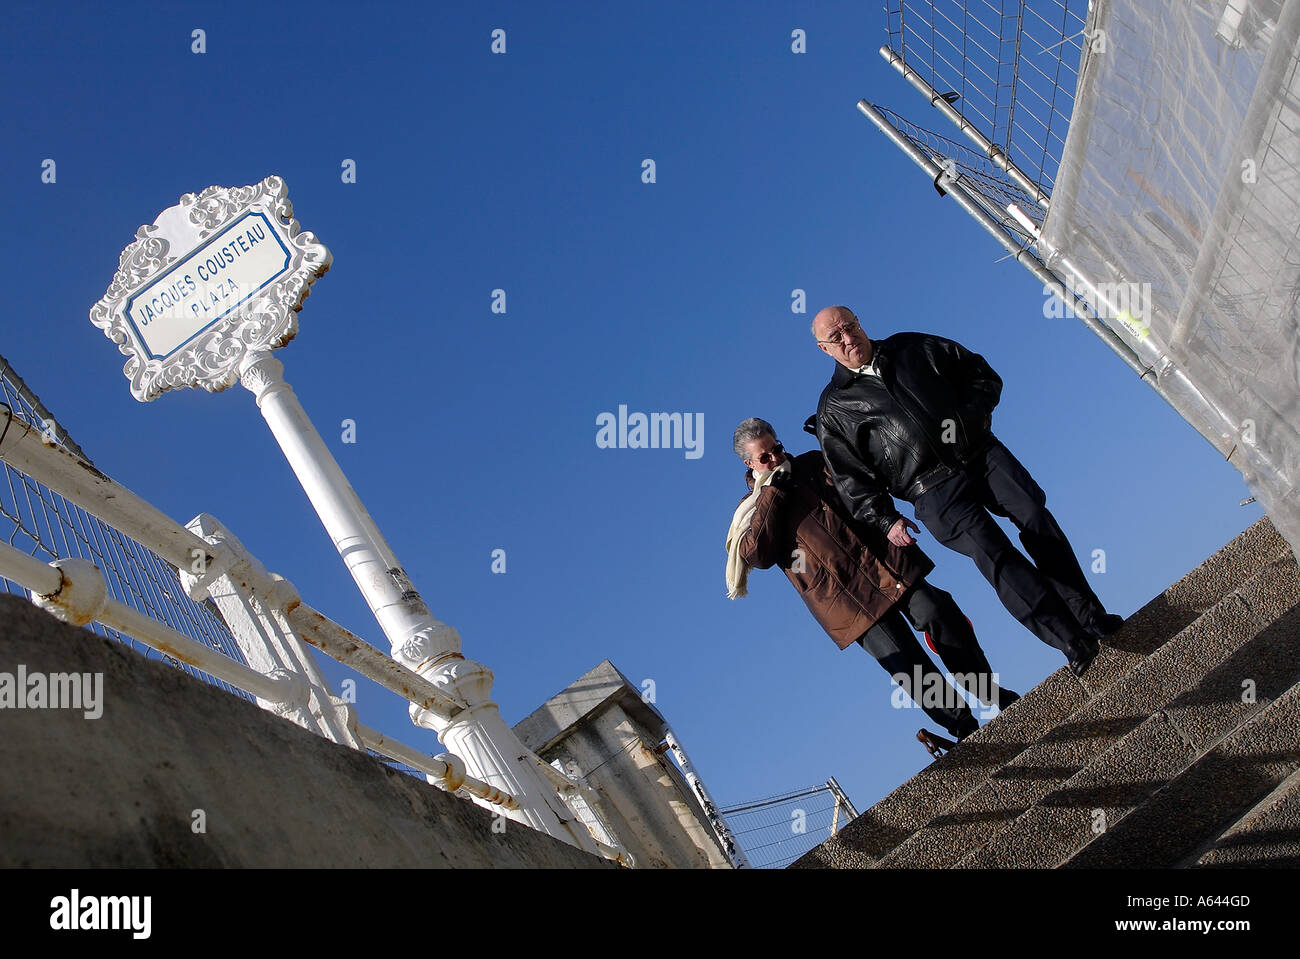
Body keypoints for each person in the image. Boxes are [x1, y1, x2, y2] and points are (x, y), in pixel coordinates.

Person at [810, 305, 1124, 678]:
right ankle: (1070, 640)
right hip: (931, 491)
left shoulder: (911, 346)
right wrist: (885, 518)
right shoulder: (833, 409)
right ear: (824, 349)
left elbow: (979, 373)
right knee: (997, 557)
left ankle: (1091, 616)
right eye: (836, 337)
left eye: (850, 326)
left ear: (860, 322)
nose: (848, 338)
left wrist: (968, 421)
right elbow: (851, 481)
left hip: (981, 454)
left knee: (1036, 518)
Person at [725, 417, 1018, 743]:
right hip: (845, 599)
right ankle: (964, 727)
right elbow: (758, 555)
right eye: (765, 457)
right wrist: (772, 493)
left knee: (939, 612)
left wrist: (887, 517)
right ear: (749, 463)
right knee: (908, 665)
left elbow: (863, 485)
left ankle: (990, 692)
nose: (776, 458)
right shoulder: (750, 511)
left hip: (885, 563)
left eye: (777, 448)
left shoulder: (813, 461)